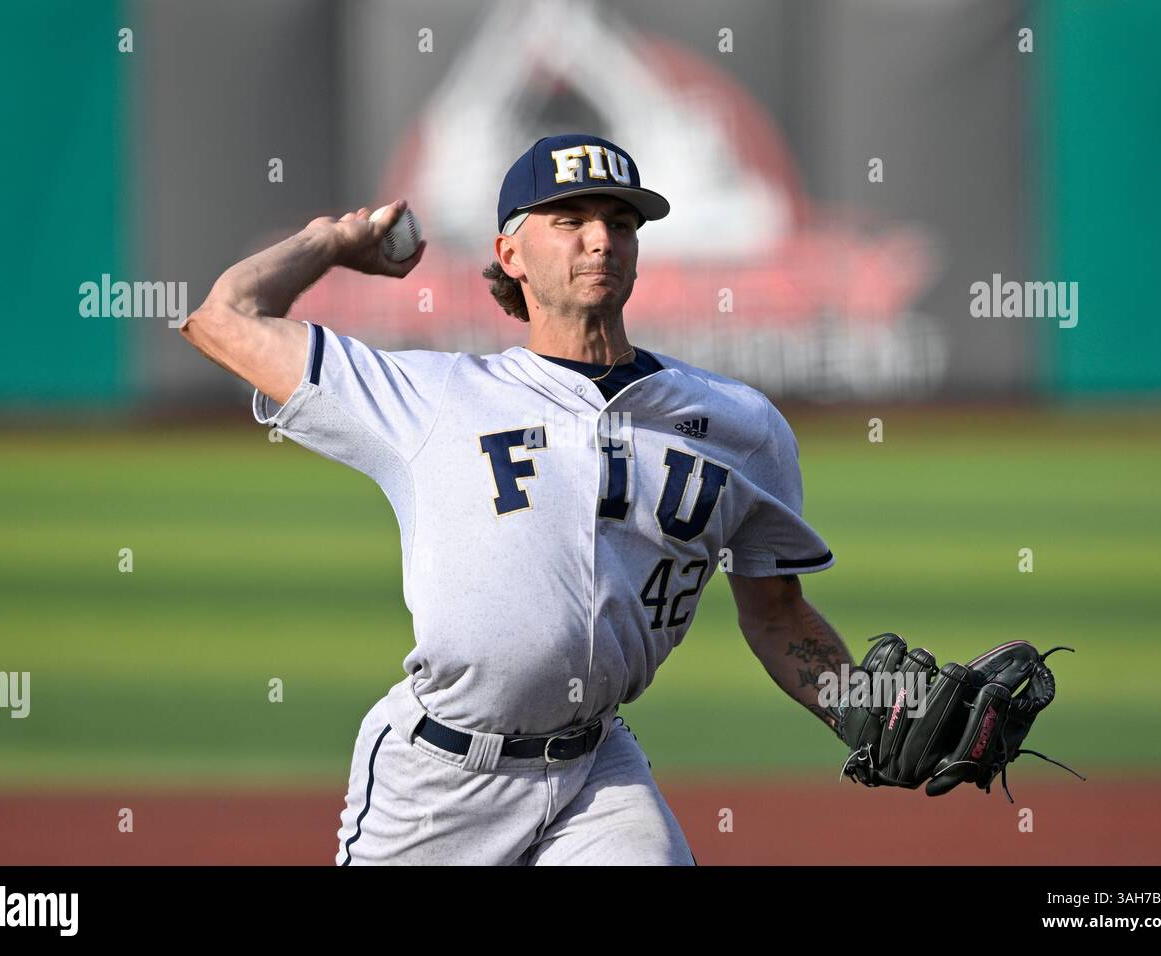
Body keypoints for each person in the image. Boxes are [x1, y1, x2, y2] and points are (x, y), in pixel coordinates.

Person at [180, 133, 853, 865]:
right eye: (569, 220)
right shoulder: (430, 397)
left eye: (620, 222)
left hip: (597, 774)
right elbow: (223, 320)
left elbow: (778, 614)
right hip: (440, 781)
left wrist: (870, 711)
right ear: (510, 255)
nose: (600, 240)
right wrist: (332, 242)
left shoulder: (738, 424)